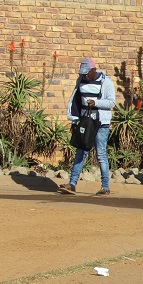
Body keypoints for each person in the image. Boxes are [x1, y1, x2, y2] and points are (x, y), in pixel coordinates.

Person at [58, 58, 116, 196]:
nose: (85, 76)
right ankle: (72, 184)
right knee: (80, 151)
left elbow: (111, 102)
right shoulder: (81, 80)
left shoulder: (105, 82)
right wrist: (74, 122)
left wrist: (96, 103)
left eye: (87, 73)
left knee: (101, 153)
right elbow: (76, 101)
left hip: (100, 123)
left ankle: (105, 187)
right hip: (85, 122)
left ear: (94, 70)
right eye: (83, 73)